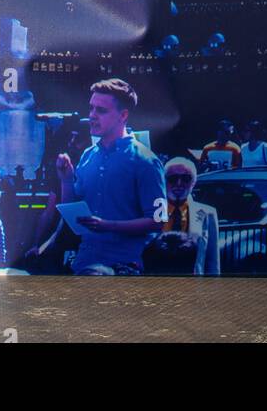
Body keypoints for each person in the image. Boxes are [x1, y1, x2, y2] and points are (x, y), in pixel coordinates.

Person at [56, 78, 166, 276]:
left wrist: (109, 226)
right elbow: (72, 212)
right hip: (85, 265)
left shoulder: (146, 161)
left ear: (123, 115)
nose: (92, 116)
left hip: (125, 268)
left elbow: (158, 220)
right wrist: (66, 180)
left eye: (101, 110)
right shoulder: (88, 156)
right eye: (91, 108)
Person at [150, 156, 220, 276]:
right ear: (163, 180)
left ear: (193, 182)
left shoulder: (208, 213)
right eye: (172, 178)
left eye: (186, 179)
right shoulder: (150, 210)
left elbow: (212, 260)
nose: (179, 183)